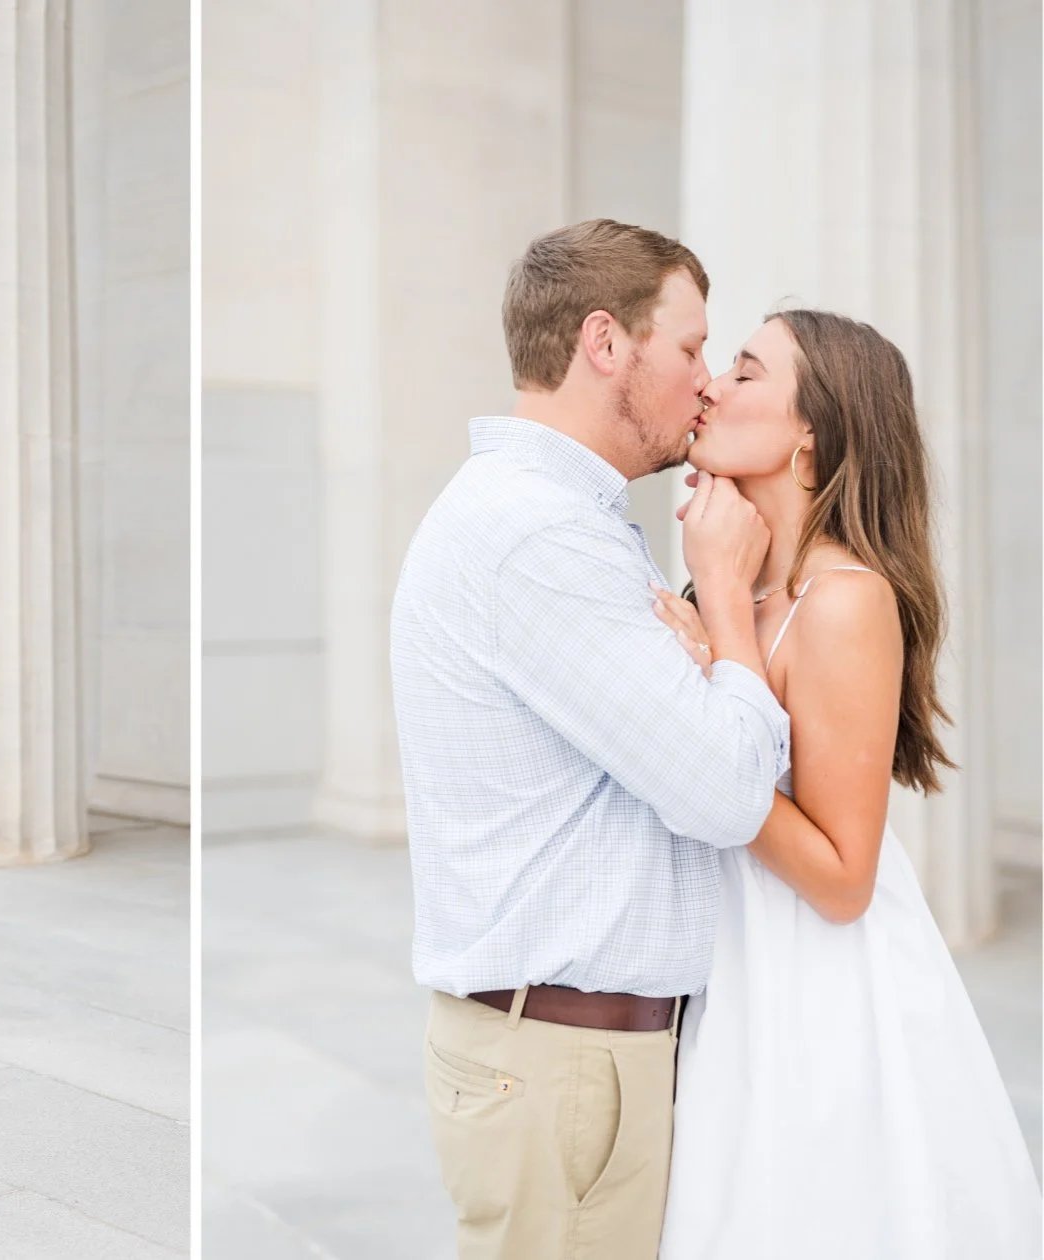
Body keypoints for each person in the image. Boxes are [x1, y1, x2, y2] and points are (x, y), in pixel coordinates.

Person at [389, 219, 791, 1259]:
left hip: (566, 1057)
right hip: (563, 1066)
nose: (705, 382)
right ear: (605, 343)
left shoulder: (555, 520)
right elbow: (724, 793)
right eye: (692, 347)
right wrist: (736, 622)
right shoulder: (539, 535)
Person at [653, 309, 1041, 1258]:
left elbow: (841, 877)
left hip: (810, 985)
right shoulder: (739, 585)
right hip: (726, 958)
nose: (710, 386)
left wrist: (717, 668)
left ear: (811, 432)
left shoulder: (847, 601)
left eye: (744, 373)